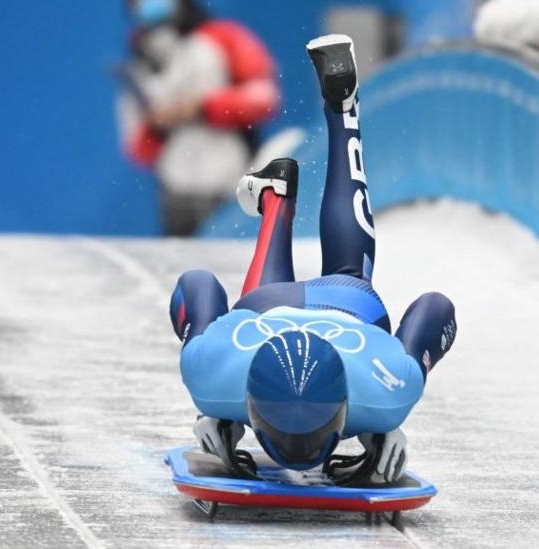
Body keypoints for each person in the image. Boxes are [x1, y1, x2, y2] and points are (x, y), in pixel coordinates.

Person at [168, 35, 458, 483]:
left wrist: (218, 423)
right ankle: (281, 194)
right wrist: (380, 427)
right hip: (282, 306)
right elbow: (198, 284)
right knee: (276, 293)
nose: (297, 456)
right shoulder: (383, 394)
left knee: (337, 273)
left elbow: (436, 308)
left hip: (335, 308)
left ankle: (292, 178)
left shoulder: (215, 381)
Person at [117, 0, 280, 235]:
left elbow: (265, 98)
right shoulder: (137, 60)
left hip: (235, 186)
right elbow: (138, 150)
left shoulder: (224, 37)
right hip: (176, 196)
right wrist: (157, 125)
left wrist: (203, 108)